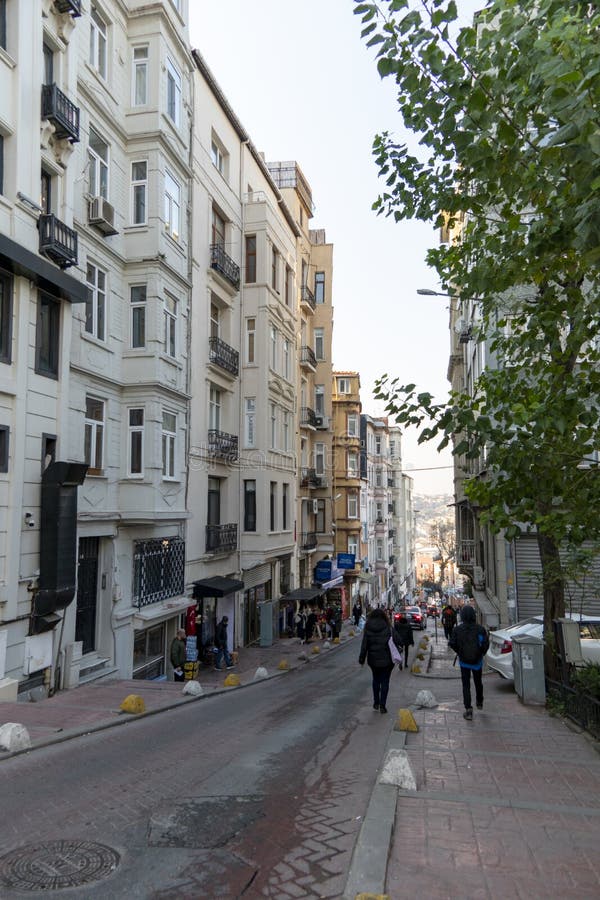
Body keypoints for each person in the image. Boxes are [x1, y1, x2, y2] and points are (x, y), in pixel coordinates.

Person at [449, 605, 490, 720]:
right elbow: (485, 644)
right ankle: (479, 701)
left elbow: (452, 643)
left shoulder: (458, 629)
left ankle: (468, 709)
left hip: (464, 662)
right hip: (477, 661)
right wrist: (481, 654)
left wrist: (460, 651)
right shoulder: (480, 629)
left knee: (466, 685)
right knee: (478, 682)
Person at [358, 608, 395, 714]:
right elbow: (395, 640)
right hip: (386, 659)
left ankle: (376, 702)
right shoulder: (388, 626)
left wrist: (362, 658)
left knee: (376, 680)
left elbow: (364, 644)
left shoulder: (368, 626)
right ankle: (383, 705)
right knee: (385, 682)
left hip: (373, 660)